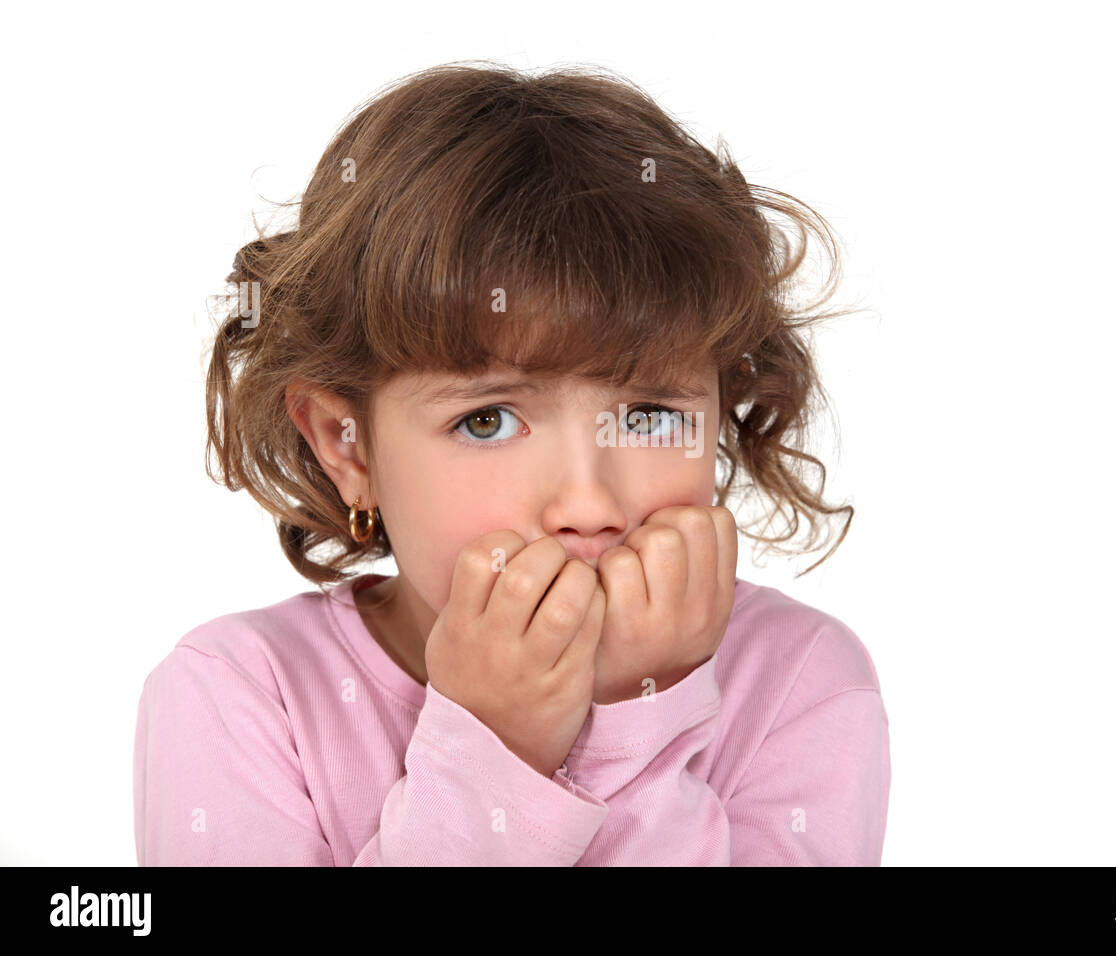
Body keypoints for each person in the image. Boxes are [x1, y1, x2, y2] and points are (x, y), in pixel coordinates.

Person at [133, 61, 890, 866]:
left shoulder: (802, 682)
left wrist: (635, 714)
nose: (588, 502)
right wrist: (491, 749)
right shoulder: (240, 696)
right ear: (345, 445)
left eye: (650, 415)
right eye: (488, 421)